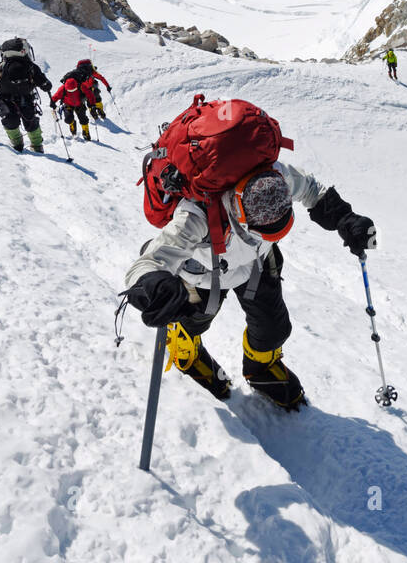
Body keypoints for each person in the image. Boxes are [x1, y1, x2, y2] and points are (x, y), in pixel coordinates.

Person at [123, 119, 377, 411]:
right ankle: (184, 349)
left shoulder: (277, 177)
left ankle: (260, 367)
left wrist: (345, 218)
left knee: (273, 326)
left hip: (257, 262)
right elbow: (150, 260)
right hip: (205, 274)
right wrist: (152, 284)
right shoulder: (196, 214)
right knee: (194, 318)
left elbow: (311, 190)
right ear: (239, 209)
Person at [51, 75, 96, 140]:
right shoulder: (62, 88)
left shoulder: (81, 86)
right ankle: (72, 125)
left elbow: (90, 95)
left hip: (79, 104)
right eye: (70, 90)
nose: (72, 91)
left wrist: (92, 104)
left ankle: (85, 132)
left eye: (74, 90)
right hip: (68, 105)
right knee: (68, 119)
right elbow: (56, 96)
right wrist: (52, 101)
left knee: (84, 119)